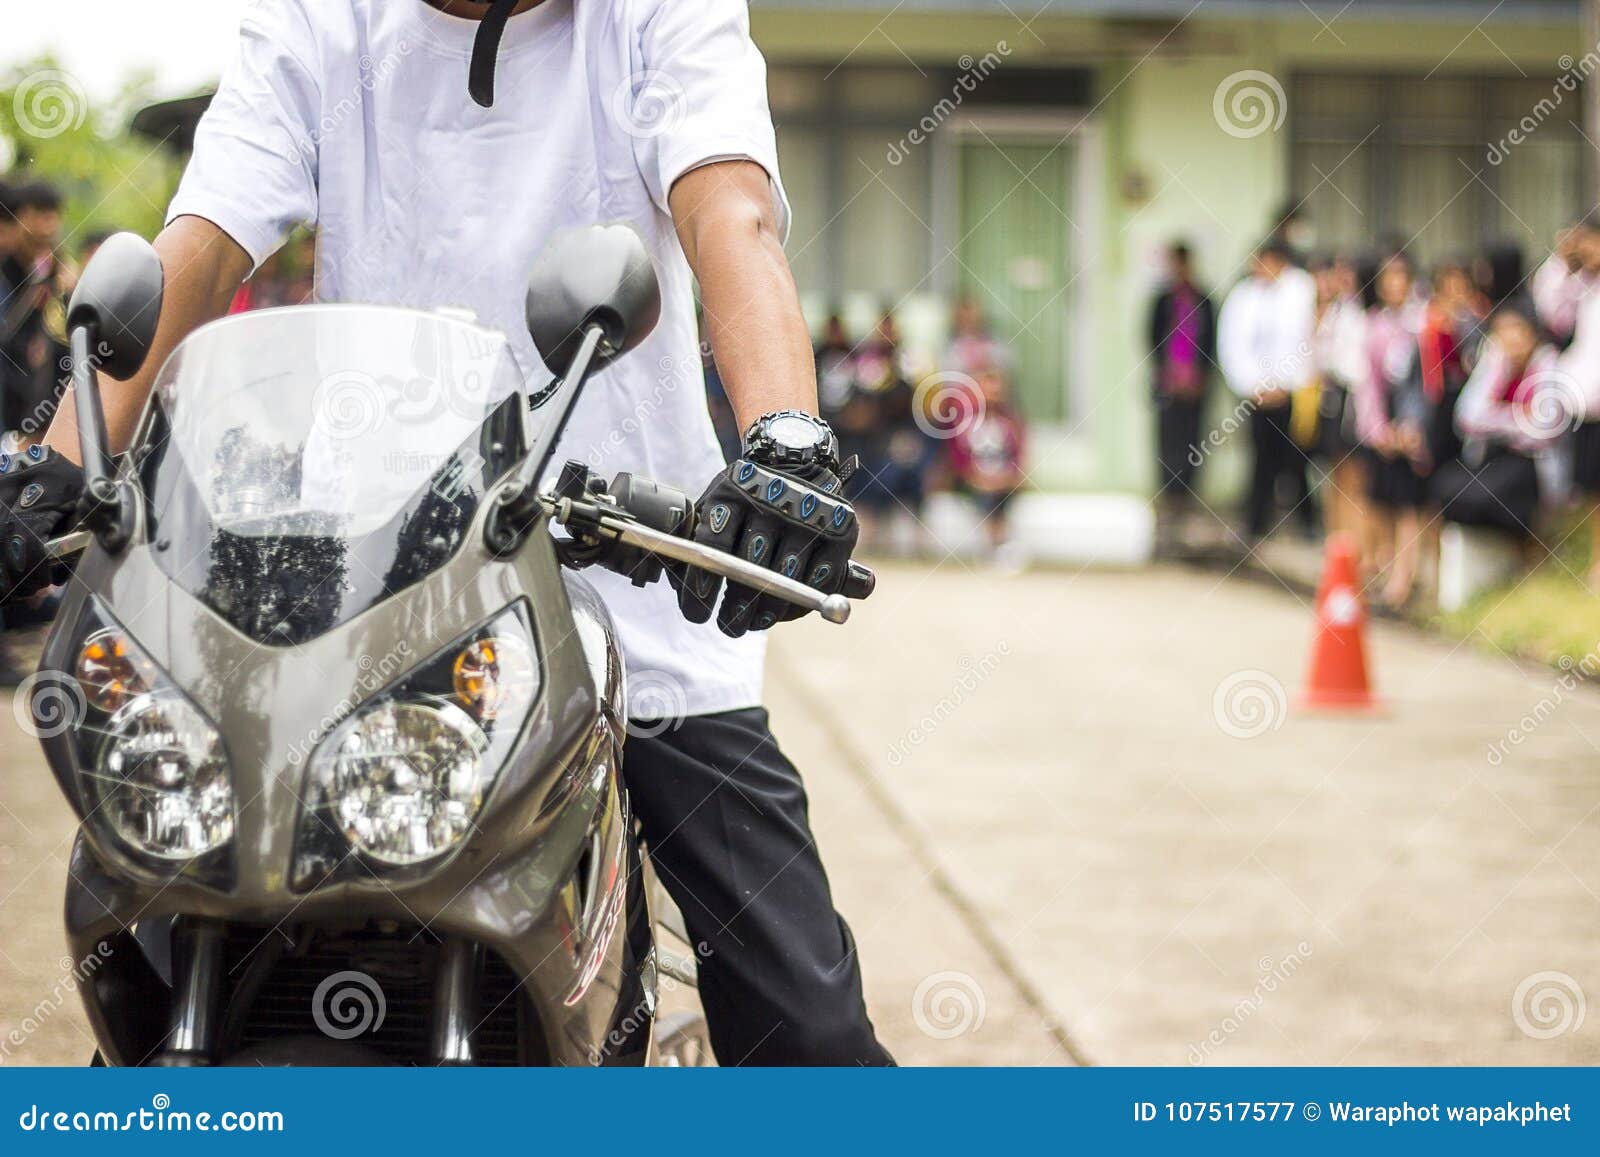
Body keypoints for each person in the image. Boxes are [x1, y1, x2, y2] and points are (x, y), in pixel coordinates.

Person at [0, 0, 890, 1067]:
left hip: (634, 584)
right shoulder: (321, 22)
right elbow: (200, 243)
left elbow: (729, 212)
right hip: (356, 580)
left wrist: (784, 440)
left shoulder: (654, 11)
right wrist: (46, 465)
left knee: (808, 1032)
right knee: (165, 916)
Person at [1433, 298, 1559, 551]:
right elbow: (1467, 416)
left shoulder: (1548, 367)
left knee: (1491, 494)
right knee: (1446, 487)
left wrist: (1496, 417)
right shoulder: (1496, 363)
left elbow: (1543, 432)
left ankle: (1529, 549)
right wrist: (1517, 416)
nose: (1510, 339)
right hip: (1493, 458)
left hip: (1530, 463)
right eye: (1502, 331)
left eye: (1517, 329)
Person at [1218, 238, 1317, 548]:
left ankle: (1307, 521)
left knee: (1296, 458)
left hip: (1292, 393)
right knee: (1260, 458)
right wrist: (1254, 385)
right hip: (1257, 395)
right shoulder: (1243, 296)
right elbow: (1233, 346)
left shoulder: (1300, 290)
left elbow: (1305, 340)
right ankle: (1257, 521)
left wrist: (1286, 383)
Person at [1355, 253, 1429, 609]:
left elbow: (1429, 384)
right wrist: (1379, 430)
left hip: (1415, 433)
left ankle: (1404, 580)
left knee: (1411, 506)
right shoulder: (1374, 326)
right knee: (1381, 502)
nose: (1395, 285)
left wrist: (1413, 429)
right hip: (1383, 430)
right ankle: (1385, 568)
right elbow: (1368, 383)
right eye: (1388, 279)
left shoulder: (1424, 324)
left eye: (1401, 277)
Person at [1146, 241, 1216, 555]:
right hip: (1167, 387)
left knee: (1192, 443)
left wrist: (1198, 378)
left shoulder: (1204, 300)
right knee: (1166, 443)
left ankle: (1186, 499)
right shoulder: (1162, 300)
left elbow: (1212, 343)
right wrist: (1166, 375)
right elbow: (1150, 339)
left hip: (1195, 389)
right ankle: (1168, 501)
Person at [1311, 255, 1369, 544]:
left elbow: (1354, 365)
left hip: (1356, 399)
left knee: (1355, 477)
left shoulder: (1361, 314)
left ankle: (1357, 543)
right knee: (1335, 473)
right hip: (1332, 399)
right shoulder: (1332, 312)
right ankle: (1337, 540)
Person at [945, 362, 1026, 565]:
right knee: (987, 496)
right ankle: (994, 546)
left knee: (1001, 496)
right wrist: (979, 479)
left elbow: (1017, 457)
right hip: (974, 481)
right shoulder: (964, 421)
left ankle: (998, 544)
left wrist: (1005, 478)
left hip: (1001, 480)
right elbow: (959, 461)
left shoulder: (1011, 422)